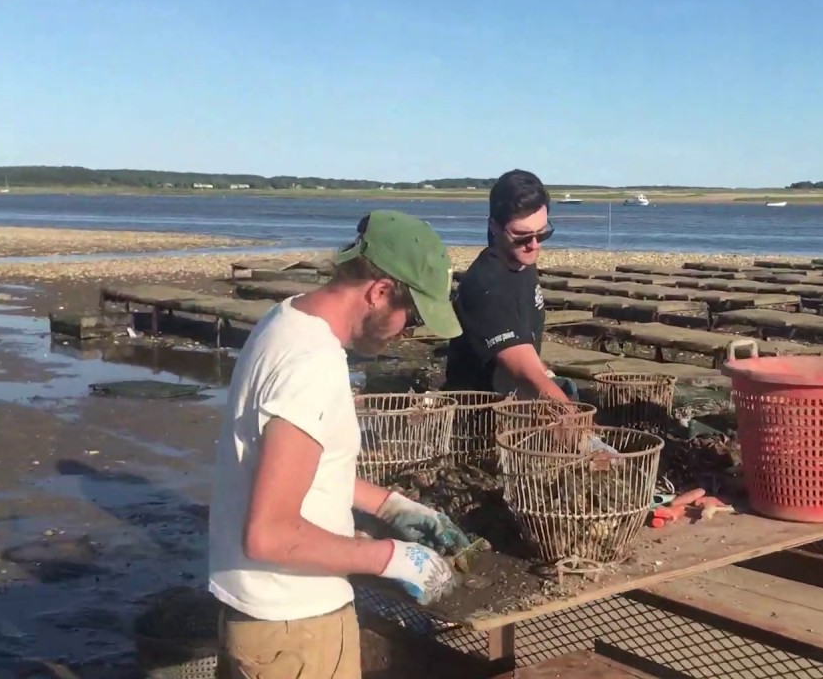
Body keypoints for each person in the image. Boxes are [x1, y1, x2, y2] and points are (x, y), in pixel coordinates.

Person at [208, 210, 472, 679]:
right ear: (380, 292)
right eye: (409, 319)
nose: (404, 334)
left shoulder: (287, 319)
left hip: (267, 619)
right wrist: (390, 557)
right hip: (293, 626)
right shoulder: (312, 365)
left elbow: (295, 469)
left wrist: (393, 506)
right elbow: (268, 534)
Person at [443, 168, 577, 401]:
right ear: (494, 227)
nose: (534, 245)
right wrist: (581, 430)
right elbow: (526, 375)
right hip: (482, 414)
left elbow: (528, 349)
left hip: (514, 401)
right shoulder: (487, 287)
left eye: (542, 234)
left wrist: (547, 373)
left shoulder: (521, 262)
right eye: (522, 236)